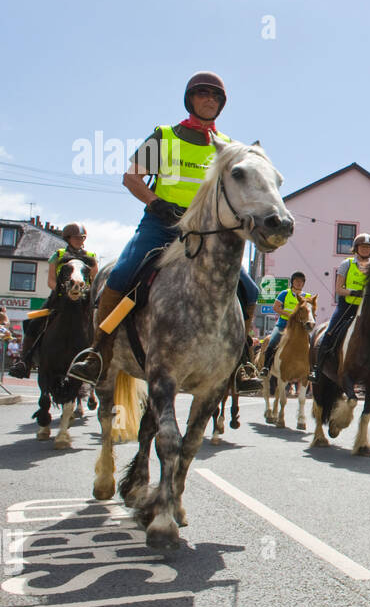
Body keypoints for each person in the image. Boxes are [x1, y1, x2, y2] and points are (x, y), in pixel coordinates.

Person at [66, 72, 263, 389]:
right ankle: (98, 353)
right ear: (190, 99)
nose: (209, 99)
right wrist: (155, 203)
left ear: (221, 104)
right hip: (161, 225)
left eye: (215, 95)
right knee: (120, 275)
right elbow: (131, 177)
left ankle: (242, 362)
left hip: (206, 233)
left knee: (249, 290)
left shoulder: (228, 147)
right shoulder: (164, 135)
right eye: (202, 93)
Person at [9, 223, 98, 378]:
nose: (80, 240)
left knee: (99, 326)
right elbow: (50, 280)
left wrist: (86, 293)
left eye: (82, 237)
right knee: (32, 322)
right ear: (68, 238)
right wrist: (62, 292)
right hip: (60, 298)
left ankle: (97, 363)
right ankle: (24, 362)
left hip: (83, 300)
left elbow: (94, 280)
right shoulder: (58, 255)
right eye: (76, 237)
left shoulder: (91, 257)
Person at [316, 233, 370, 378]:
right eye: (362, 247)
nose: (365, 249)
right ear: (356, 248)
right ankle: (317, 368)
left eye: (368, 247)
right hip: (346, 307)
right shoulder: (346, 264)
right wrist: (354, 292)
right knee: (329, 332)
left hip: (365, 309)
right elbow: (338, 289)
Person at [263, 272, 314, 372]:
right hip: (283, 325)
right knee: (272, 342)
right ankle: (266, 367)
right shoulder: (285, 293)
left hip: (300, 327)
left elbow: (310, 310)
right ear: (292, 282)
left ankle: (312, 370)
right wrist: (290, 315)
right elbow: (276, 307)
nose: (299, 283)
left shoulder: (308, 296)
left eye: (301, 281)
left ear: (304, 283)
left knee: (312, 344)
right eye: (296, 281)